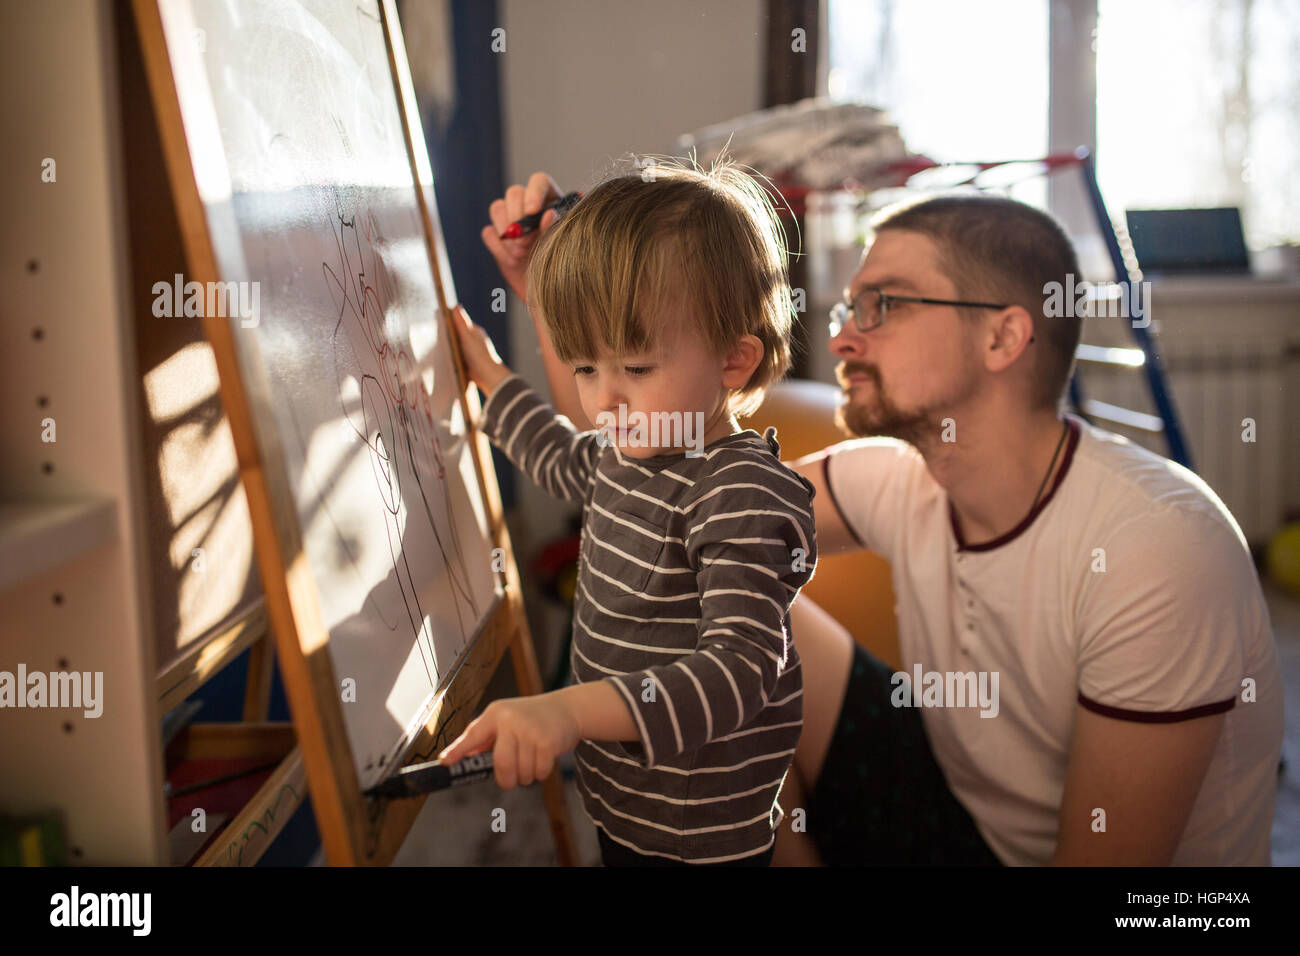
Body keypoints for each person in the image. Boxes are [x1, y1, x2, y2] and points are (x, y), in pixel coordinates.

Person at [485, 173, 1284, 867]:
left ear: (1004, 334)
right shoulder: (900, 476)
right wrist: (568, 303)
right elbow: (650, 487)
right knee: (734, 592)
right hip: (951, 802)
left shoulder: (1155, 548)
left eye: (885, 305)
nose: (840, 333)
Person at [440, 158, 818, 866]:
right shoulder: (633, 448)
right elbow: (560, 455)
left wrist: (566, 712)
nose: (602, 400)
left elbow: (739, 671)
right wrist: (489, 374)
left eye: (636, 369)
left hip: (698, 835)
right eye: (586, 368)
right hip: (626, 798)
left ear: (734, 361)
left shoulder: (737, 490)